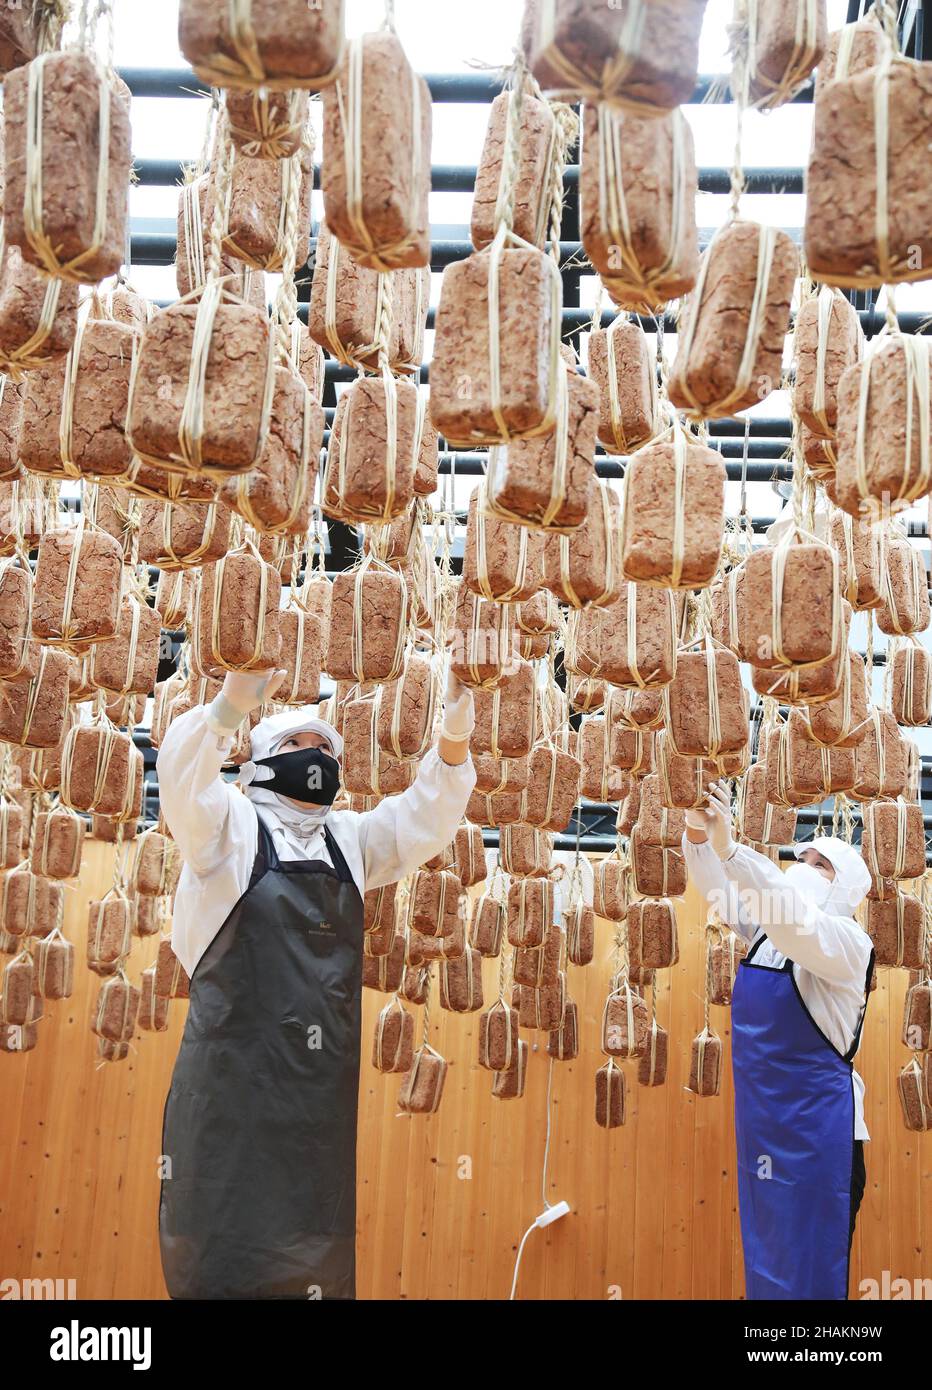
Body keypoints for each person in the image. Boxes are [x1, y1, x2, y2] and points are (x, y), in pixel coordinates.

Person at [155, 662, 477, 1301]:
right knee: (220, 1254)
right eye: (301, 747)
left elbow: (425, 819)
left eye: (327, 749)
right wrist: (224, 712)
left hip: (315, 1103)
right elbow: (184, 789)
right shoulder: (230, 828)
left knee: (313, 1263)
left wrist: (454, 738)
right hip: (232, 1091)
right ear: (264, 761)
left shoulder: (348, 840)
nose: (319, 757)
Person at [683, 779, 875, 1302]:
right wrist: (698, 837)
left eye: (820, 866)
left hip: (822, 1140)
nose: (805, 870)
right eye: (804, 860)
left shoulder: (847, 943)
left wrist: (732, 849)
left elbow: (794, 922)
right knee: (768, 1262)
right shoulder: (767, 934)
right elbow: (721, 890)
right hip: (765, 1130)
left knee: (809, 1269)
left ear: (844, 888)